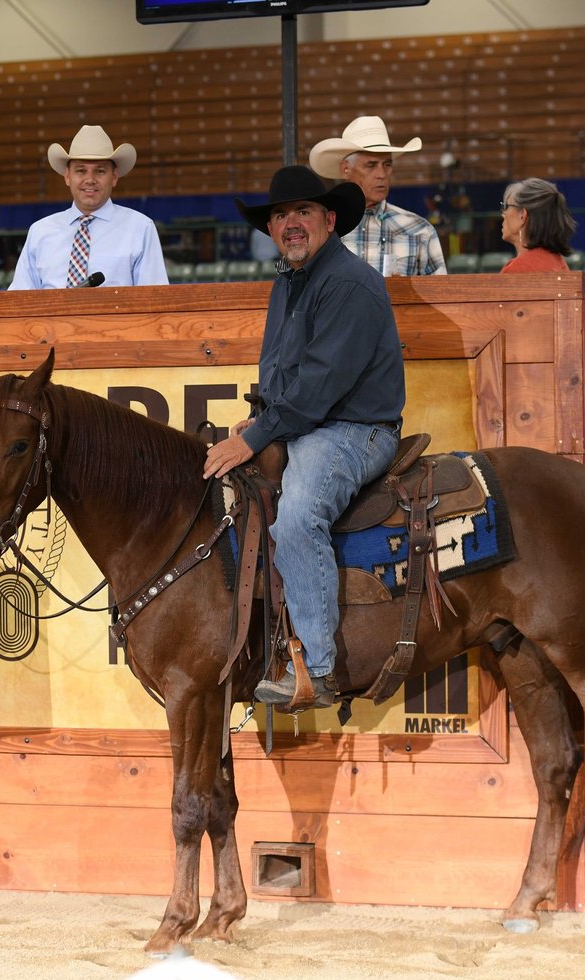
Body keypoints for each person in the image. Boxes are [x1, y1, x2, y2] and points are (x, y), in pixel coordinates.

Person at [202, 167, 405, 711]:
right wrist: (262, 416)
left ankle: (317, 668)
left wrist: (260, 434)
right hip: (314, 422)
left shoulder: (348, 283)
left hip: (354, 429)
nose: (290, 224)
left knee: (295, 518)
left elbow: (320, 384)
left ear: (330, 220)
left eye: (303, 212)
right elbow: (284, 372)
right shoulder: (289, 283)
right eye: (280, 215)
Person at [8, 125, 168, 290]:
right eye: (81, 171)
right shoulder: (40, 232)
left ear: (114, 177)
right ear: (67, 176)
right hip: (52, 316)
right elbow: (18, 301)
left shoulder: (140, 228)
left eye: (99, 171)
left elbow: (155, 300)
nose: (90, 179)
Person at [308, 115, 446, 277]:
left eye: (387, 165)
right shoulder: (320, 229)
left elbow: (440, 296)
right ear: (346, 169)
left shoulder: (419, 230)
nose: (381, 174)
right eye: (371, 165)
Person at [498, 177, 577, 273]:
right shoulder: (559, 263)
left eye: (507, 207)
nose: (503, 214)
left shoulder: (517, 269)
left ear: (522, 215)